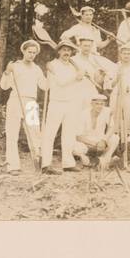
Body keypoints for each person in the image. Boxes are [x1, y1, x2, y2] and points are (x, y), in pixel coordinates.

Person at [0, 39, 47, 171]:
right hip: (16, 100)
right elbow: (4, 86)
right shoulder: (15, 66)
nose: (32, 55)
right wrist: (7, 72)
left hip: (31, 103)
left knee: (34, 134)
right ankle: (13, 166)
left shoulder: (37, 69)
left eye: (34, 53)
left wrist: (51, 77)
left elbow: (44, 86)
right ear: (23, 51)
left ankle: (38, 164)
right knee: (12, 133)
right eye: (29, 52)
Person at [41, 37, 88, 172]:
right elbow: (61, 82)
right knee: (50, 133)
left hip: (71, 103)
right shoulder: (53, 65)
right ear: (59, 51)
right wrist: (76, 77)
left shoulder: (73, 66)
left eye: (69, 50)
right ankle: (45, 164)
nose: (66, 52)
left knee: (69, 134)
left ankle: (68, 163)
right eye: (64, 50)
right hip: (57, 103)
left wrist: (79, 77)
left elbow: (78, 84)